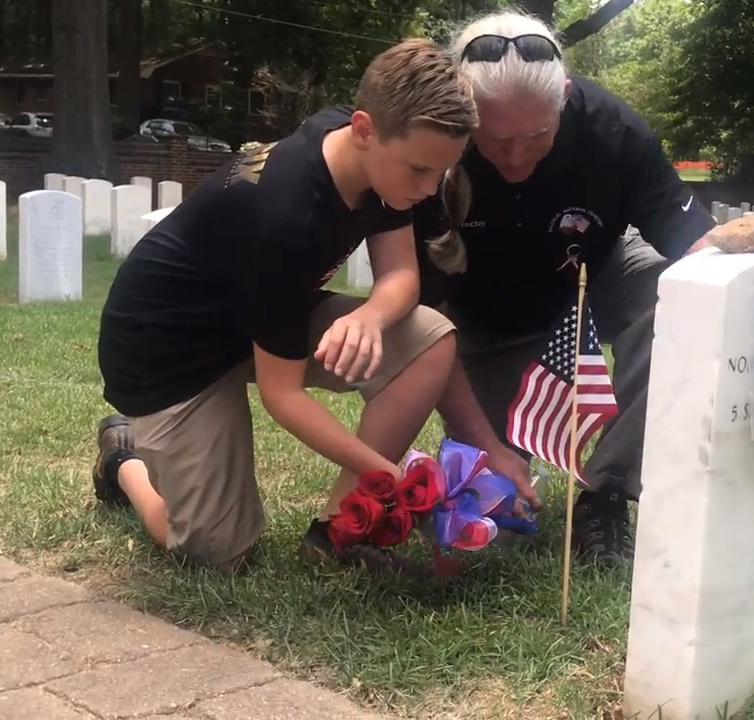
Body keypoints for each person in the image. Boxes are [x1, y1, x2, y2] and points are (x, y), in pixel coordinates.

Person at [90, 38, 483, 575]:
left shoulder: (373, 161)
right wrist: (391, 478)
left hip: (261, 312)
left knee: (427, 340)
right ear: (366, 130)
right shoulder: (284, 217)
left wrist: (371, 316)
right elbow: (284, 396)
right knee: (216, 552)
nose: (430, 187)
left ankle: (337, 532)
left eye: (442, 172)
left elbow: (400, 275)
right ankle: (123, 460)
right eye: (419, 170)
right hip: (167, 350)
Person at [410, 11, 718, 567]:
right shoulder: (433, 146)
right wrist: (479, 435)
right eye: (496, 139)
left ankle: (609, 492)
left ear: (565, 97)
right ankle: (490, 452)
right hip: (487, 321)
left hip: (590, 279)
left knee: (673, 298)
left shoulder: (615, 134)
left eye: (537, 136)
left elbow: (695, 247)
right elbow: (423, 321)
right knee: (492, 521)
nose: (516, 159)